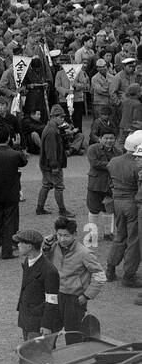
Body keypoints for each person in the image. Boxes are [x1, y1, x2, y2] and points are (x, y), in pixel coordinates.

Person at [44, 217, 107, 342]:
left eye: (66, 235)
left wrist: (86, 295)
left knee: (73, 335)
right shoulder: (53, 247)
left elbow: (100, 276)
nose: (62, 239)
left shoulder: (85, 253)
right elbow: (44, 263)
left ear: (75, 234)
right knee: (49, 332)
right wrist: (46, 246)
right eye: (59, 235)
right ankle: (50, 360)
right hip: (55, 296)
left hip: (74, 299)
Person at [0, 127, 28, 261]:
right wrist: (17, 145)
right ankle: (7, 250)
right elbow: (24, 161)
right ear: (9, 138)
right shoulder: (15, 154)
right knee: (9, 222)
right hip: (11, 193)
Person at [13, 229, 61, 343]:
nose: (17, 245)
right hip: (27, 317)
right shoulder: (27, 261)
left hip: (38, 323)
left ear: (29, 246)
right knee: (29, 352)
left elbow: (52, 301)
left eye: (20, 242)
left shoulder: (49, 271)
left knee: (39, 355)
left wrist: (47, 325)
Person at [105, 142, 142, 290]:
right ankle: (129, 275)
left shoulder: (114, 161)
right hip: (132, 203)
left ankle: (110, 267)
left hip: (117, 202)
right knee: (134, 240)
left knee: (120, 236)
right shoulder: (136, 165)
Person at [86, 130, 120, 244]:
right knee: (93, 210)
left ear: (115, 139)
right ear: (100, 138)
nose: (109, 141)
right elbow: (95, 163)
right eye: (106, 138)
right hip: (95, 185)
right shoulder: (92, 148)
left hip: (111, 186)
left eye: (111, 138)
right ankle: (92, 234)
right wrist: (113, 164)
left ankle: (108, 233)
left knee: (109, 210)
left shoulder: (118, 151)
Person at [34, 106, 69, 216]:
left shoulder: (51, 128)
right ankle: (62, 210)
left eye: (63, 117)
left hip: (45, 164)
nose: (62, 119)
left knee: (46, 185)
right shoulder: (51, 131)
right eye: (60, 117)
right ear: (53, 117)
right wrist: (54, 166)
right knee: (58, 186)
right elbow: (51, 151)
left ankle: (40, 209)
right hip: (51, 165)